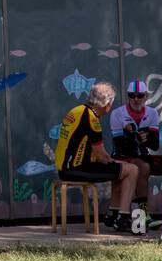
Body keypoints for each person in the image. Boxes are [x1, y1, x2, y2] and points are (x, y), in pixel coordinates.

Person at [54, 81, 141, 233]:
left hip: (65, 168)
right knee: (131, 170)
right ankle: (123, 218)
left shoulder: (76, 110)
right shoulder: (92, 118)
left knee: (120, 169)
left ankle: (113, 213)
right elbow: (100, 155)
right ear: (107, 104)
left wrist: (115, 163)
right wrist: (115, 162)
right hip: (77, 169)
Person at [109, 80, 162, 219]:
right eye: (132, 95)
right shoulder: (117, 113)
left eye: (140, 96)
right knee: (143, 167)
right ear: (128, 96)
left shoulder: (152, 113)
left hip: (142, 155)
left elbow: (155, 145)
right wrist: (133, 136)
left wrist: (145, 139)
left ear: (146, 96)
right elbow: (120, 147)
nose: (136, 99)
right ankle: (143, 214)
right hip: (123, 156)